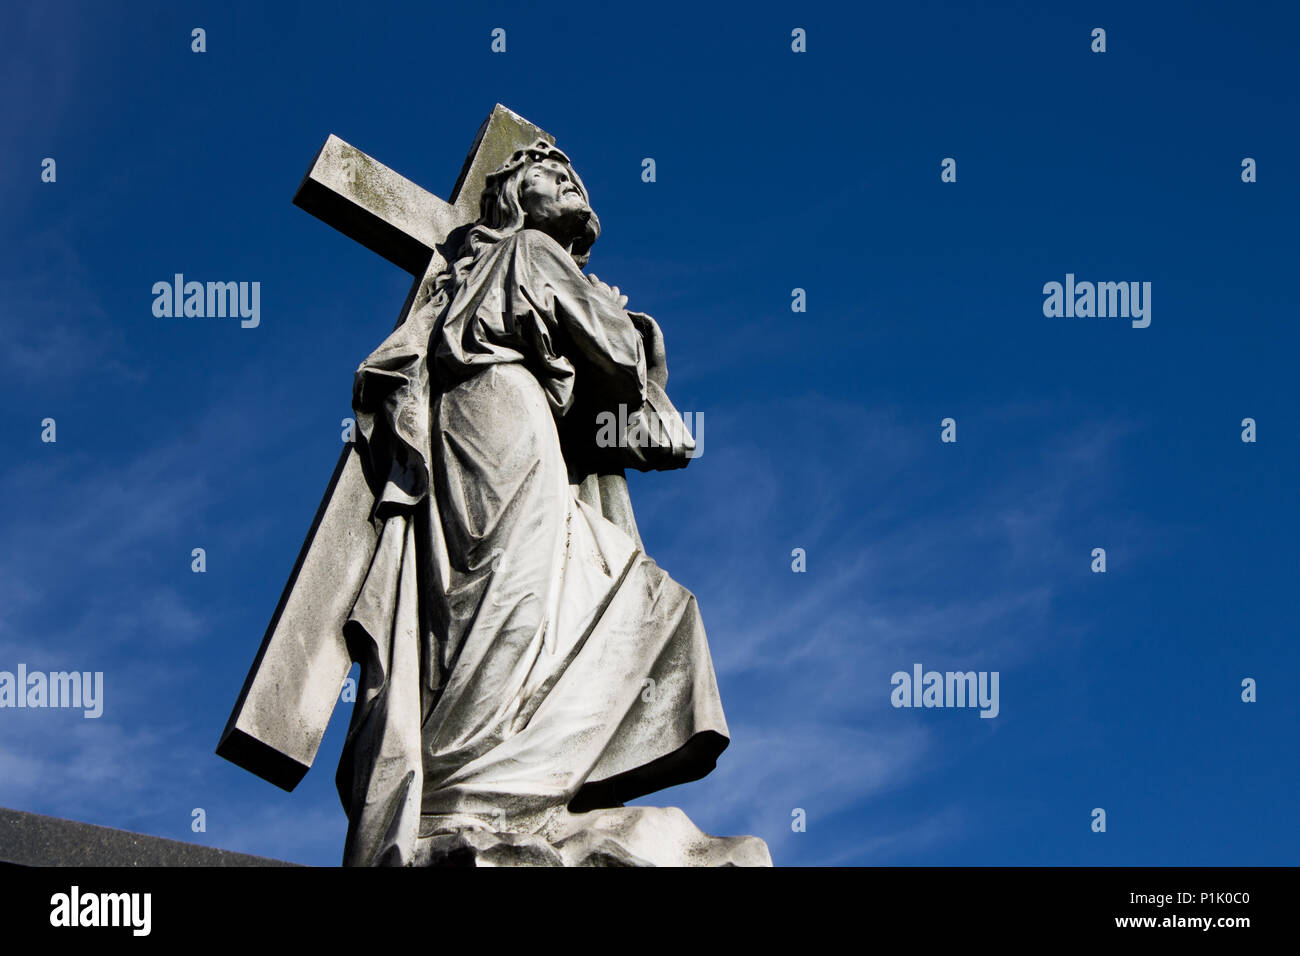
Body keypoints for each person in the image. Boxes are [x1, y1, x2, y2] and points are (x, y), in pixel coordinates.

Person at [335, 140, 760, 866]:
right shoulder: (526, 248)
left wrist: (621, 339)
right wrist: (631, 332)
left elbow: (648, 432)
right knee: (507, 593)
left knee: (592, 597)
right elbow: (617, 362)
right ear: (513, 197)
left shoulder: (514, 262)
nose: (566, 178)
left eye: (572, 174)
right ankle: (465, 790)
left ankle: (514, 788)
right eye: (549, 172)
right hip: (499, 415)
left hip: (515, 417)